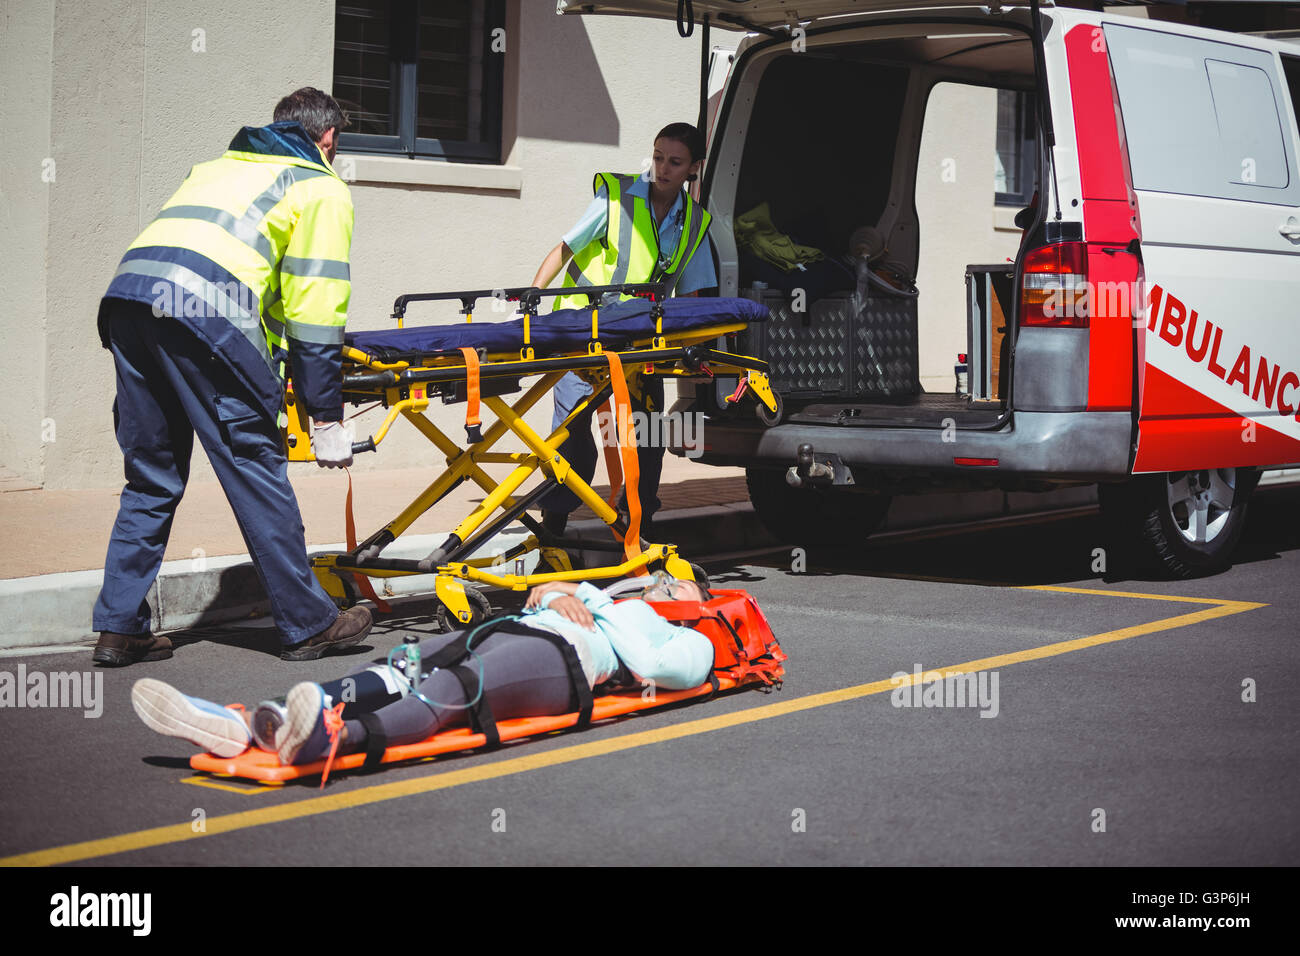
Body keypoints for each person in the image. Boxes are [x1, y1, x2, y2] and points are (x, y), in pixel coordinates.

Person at [91, 87, 372, 666]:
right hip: (202, 315)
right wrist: (325, 415)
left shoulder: (217, 167)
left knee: (151, 477)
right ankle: (309, 624)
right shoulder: (321, 187)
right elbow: (315, 311)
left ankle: (119, 626)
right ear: (327, 139)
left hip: (128, 302)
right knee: (254, 467)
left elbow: (253, 280)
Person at [130, 574, 715, 771]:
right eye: (663, 580)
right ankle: (258, 720)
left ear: (699, 602)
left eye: (679, 585)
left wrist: (586, 595)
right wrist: (554, 591)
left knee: (451, 689)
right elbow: (544, 597)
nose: (664, 584)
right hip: (520, 627)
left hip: (563, 662)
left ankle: (328, 739)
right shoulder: (620, 600)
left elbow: (654, 666)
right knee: (397, 665)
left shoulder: (694, 640)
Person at [529, 123, 717, 539]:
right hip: (581, 331)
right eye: (658, 157)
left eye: (675, 162)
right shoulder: (616, 197)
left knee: (645, 436)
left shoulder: (694, 223)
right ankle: (554, 526)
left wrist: (694, 349)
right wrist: (533, 296)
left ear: (693, 168)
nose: (662, 168)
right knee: (572, 434)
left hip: (639, 343)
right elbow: (565, 248)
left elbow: (693, 296)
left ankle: (640, 524)